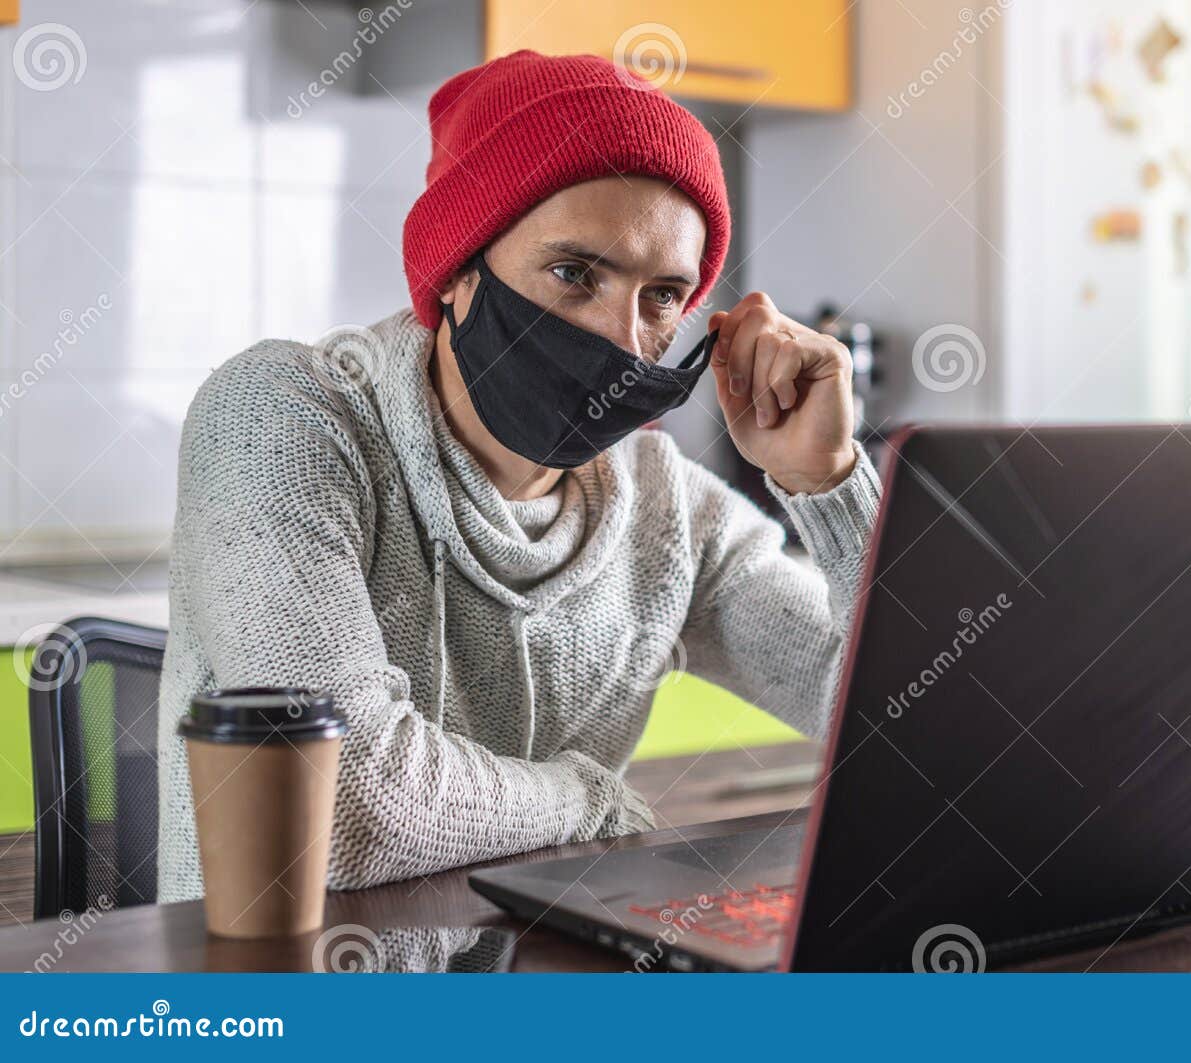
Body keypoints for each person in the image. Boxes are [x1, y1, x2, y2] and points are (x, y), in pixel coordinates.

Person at [156, 50, 881, 900]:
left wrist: (830, 482)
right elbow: (341, 804)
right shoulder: (282, 413)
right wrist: (587, 804)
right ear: (461, 271)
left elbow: (923, 722)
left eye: (660, 297)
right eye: (576, 274)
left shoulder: (663, 504)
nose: (619, 339)